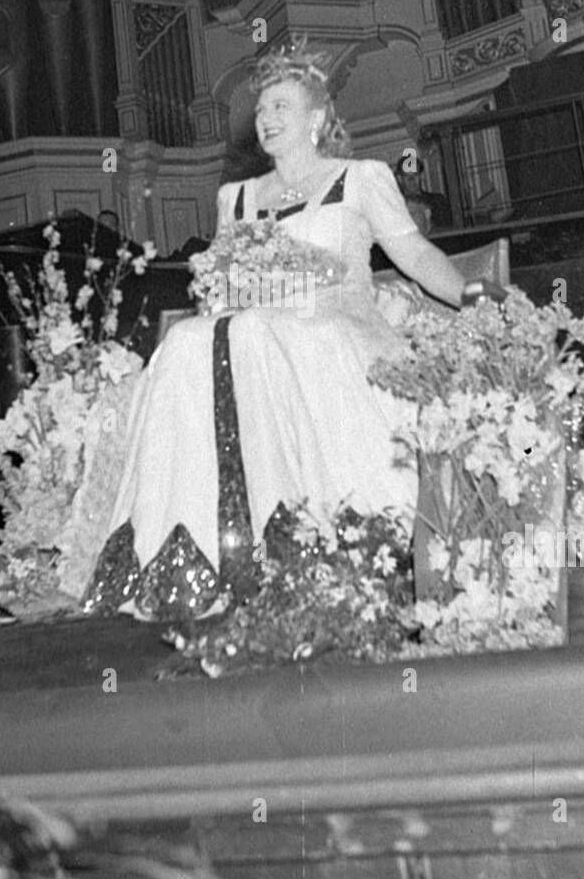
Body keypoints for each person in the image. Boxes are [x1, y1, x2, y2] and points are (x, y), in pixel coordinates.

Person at [85, 41, 471, 620]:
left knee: (251, 337)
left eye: (280, 106)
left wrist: (482, 300)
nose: (266, 119)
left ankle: (290, 540)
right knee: (186, 341)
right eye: (262, 110)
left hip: (335, 327)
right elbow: (221, 281)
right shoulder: (234, 197)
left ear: (317, 118)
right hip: (254, 324)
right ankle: (179, 551)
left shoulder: (361, 178)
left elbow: (413, 254)